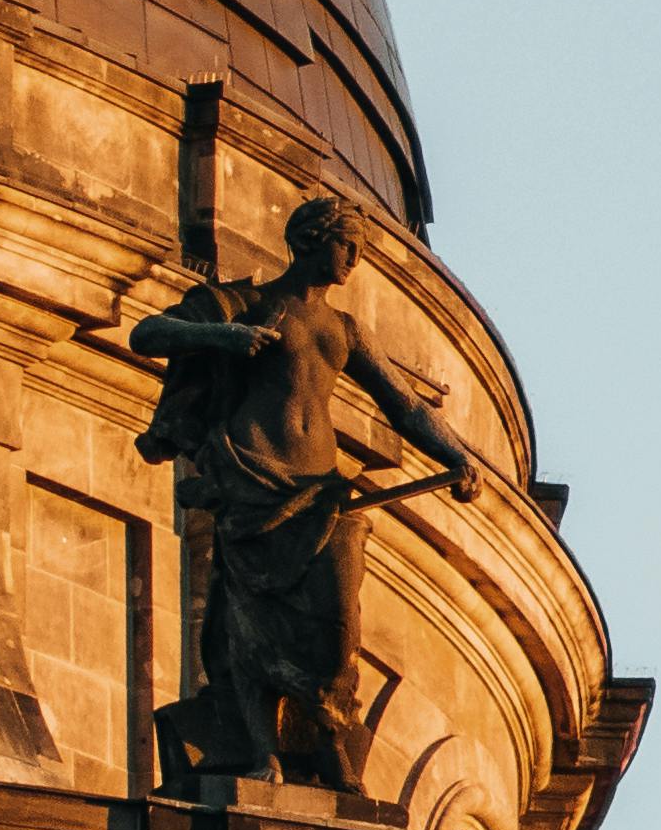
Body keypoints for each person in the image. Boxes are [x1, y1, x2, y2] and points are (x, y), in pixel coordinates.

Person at [127, 188, 473, 793]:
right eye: (346, 246)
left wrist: (455, 453)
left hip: (321, 493)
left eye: (358, 250)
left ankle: (329, 734)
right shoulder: (243, 303)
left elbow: (404, 404)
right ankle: (267, 754)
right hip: (254, 482)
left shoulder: (343, 328)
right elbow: (149, 333)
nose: (352, 261)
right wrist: (224, 338)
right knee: (249, 625)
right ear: (312, 240)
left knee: (340, 627)